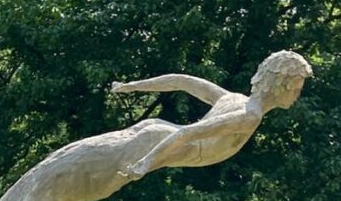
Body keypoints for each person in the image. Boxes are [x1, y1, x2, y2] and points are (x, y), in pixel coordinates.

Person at [110, 49, 312, 180]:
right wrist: (147, 162)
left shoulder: (233, 98)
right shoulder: (250, 116)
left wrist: (132, 86)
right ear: (280, 86)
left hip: (159, 128)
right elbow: (187, 134)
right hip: (174, 145)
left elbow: (181, 81)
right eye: (296, 90)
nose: (297, 96)